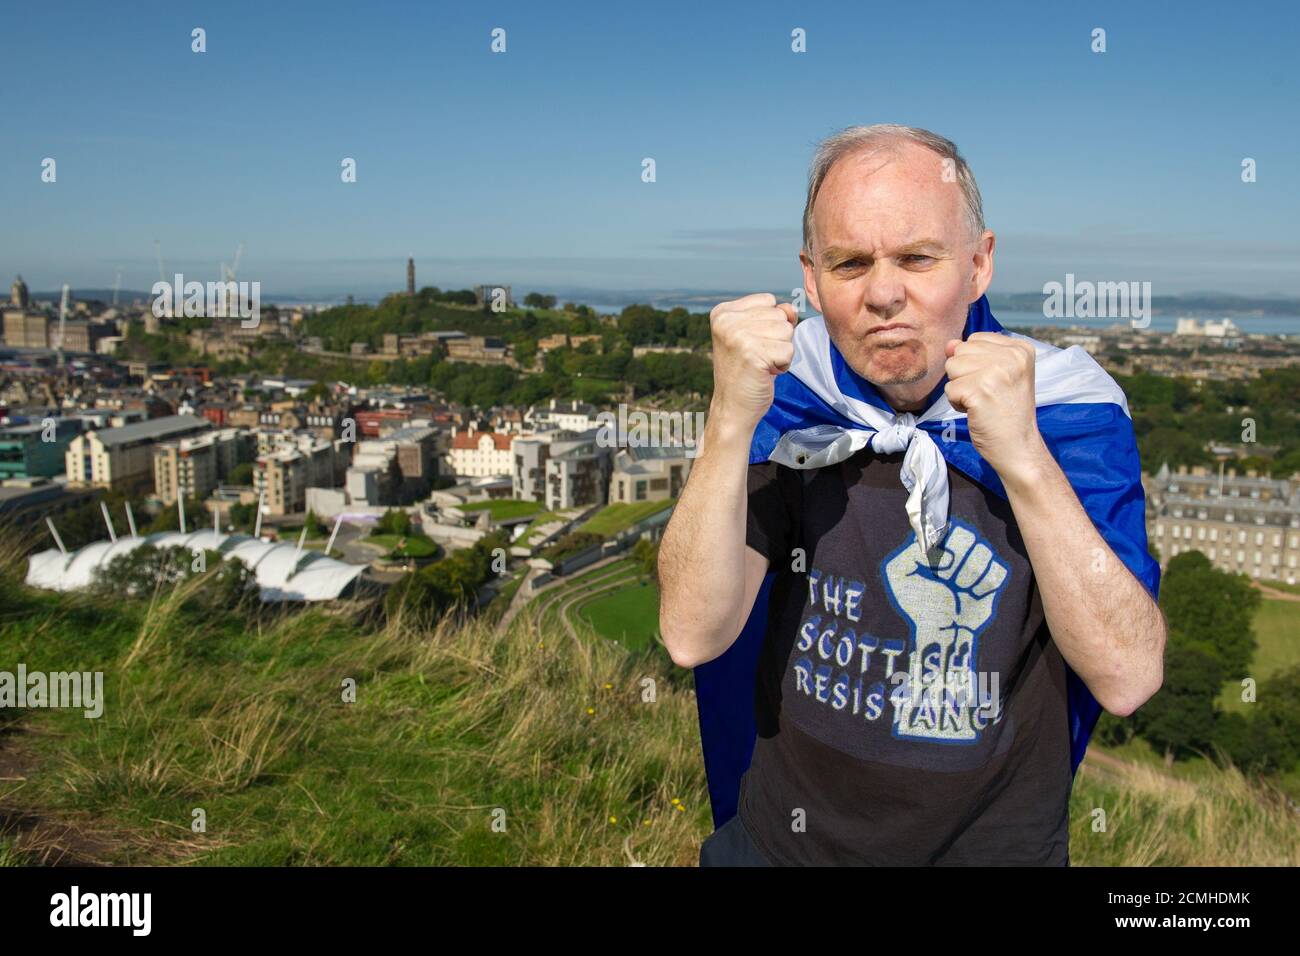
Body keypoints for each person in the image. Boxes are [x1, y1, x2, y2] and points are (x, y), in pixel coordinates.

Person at [659, 125, 1167, 866]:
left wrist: (1022, 457)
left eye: (917, 258)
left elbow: (1128, 676)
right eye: (850, 262)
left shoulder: (1068, 411)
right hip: (779, 846)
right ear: (810, 277)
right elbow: (691, 634)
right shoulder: (793, 398)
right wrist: (728, 421)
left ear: (979, 264)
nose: (883, 293)